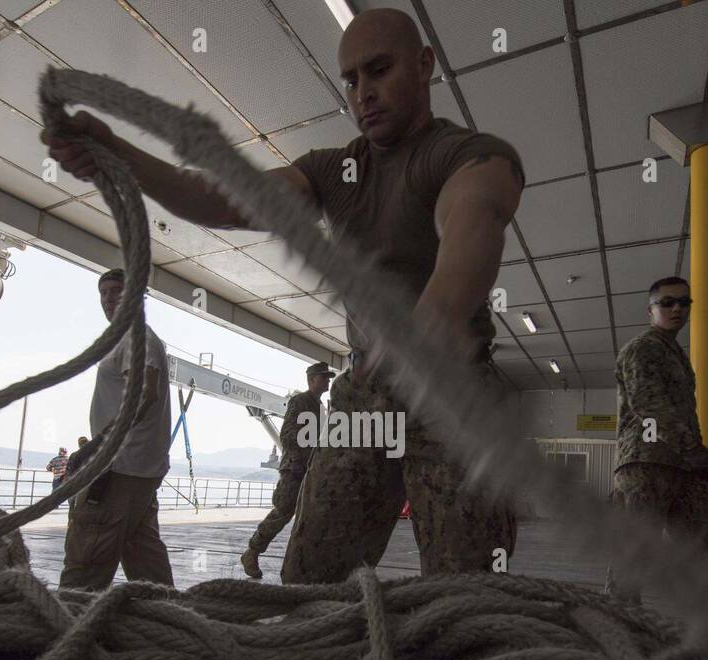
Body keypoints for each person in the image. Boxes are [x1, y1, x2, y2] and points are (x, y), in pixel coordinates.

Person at [43, 9, 522, 583]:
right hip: (366, 397)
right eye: (350, 80)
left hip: (456, 394)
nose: (363, 93)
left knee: (466, 591)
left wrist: (425, 333)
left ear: (424, 66)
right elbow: (217, 198)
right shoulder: (334, 170)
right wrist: (117, 155)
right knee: (308, 578)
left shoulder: (471, 156)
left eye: (379, 70)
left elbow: (472, 222)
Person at [605, 277, 708, 604]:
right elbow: (649, 405)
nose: (677, 309)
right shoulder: (642, 348)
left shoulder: (676, 356)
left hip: (682, 468)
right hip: (645, 465)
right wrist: (696, 452)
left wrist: (696, 460)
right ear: (650, 310)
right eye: (667, 302)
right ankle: (618, 634)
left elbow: (685, 414)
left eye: (684, 303)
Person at [59, 269, 174, 589]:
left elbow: (146, 394)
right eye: (104, 293)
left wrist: (100, 443)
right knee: (144, 556)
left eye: (117, 291)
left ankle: (67, 624)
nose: (109, 299)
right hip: (138, 472)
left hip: (118, 467)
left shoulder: (135, 337)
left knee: (87, 557)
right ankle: (167, 620)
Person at [240, 362, 332, 578]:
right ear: (311, 380)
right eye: (324, 377)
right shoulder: (300, 402)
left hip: (311, 470)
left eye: (328, 377)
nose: (328, 380)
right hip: (295, 469)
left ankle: (301, 565)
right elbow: (288, 435)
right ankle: (252, 551)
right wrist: (310, 450)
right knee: (283, 512)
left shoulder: (320, 407)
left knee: (309, 519)